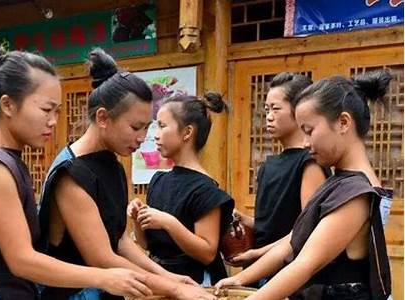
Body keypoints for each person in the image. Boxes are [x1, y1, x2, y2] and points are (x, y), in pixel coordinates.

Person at [0, 37, 154, 300]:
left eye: (57, 111)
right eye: (46, 109)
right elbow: (22, 261)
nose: (54, 121)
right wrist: (104, 276)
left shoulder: (5, 160)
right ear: (8, 105)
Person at [38, 48, 216, 300]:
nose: (142, 138)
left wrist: (167, 275)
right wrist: (174, 289)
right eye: (135, 127)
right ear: (103, 117)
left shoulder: (113, 163)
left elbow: (119, 239)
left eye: (147, 127)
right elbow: (101, 258)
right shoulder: (72, 174)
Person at [215, 70, 393, 300]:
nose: (306, 142)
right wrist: (241, 278)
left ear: (343, 122)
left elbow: (305, 263)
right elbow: (293, 241)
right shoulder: (340, 183)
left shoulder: (356, 193)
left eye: (309, 131)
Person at [127, 92, 235, 286]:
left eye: (162, 126)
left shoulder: (206, 190)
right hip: (161, 280)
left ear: (187, 132)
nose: (155, 135)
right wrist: (137, 218)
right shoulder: (158, 180)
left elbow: (207, 253)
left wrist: (169, 223)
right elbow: (146, 244)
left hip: (196, 283)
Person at [230, 73, 328, 275]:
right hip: (260, 269)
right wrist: (245, 220)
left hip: (287, 271)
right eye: (266, 109)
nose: (268, 116)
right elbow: (273, 226)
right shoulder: (269, 165)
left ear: (300, 110)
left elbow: (306, 230)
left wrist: (258, 254)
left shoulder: (309, 162)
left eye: (276, 108)